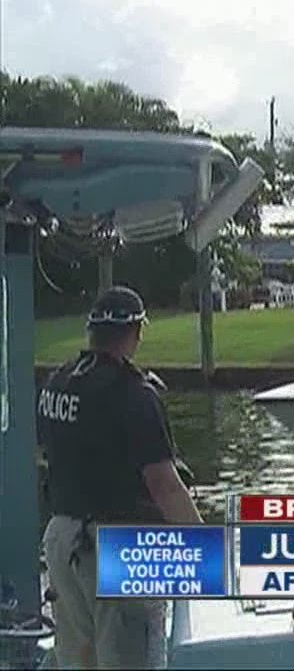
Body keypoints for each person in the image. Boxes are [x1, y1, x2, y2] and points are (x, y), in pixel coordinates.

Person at [37, 285, 202, 669]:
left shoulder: (57, 383)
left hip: (62, 540)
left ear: (91, 331)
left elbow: (49, 455)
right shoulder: (134, 394)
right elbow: (164, 484)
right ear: (137, 332)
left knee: (78, 661)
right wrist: (207, 549)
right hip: (121, 547)